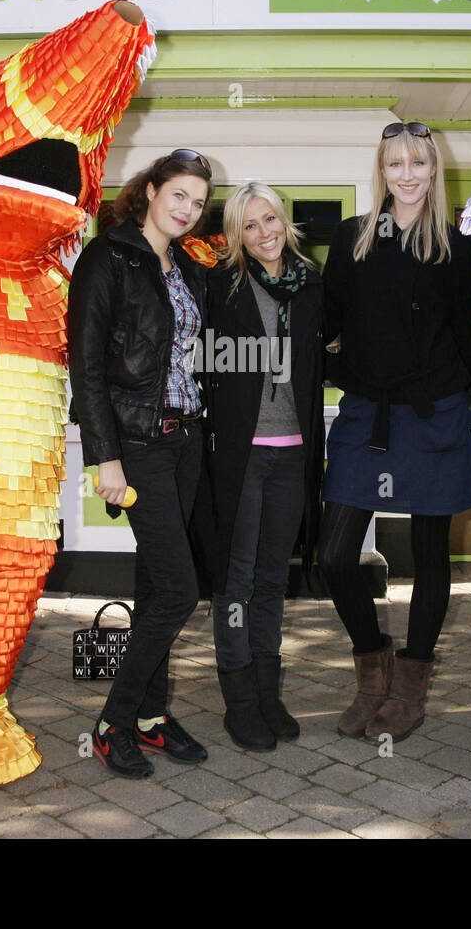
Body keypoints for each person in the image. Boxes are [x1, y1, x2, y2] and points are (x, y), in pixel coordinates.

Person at [319, 121, 471, 743]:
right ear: (382, 170)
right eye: (395, 163)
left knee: (429, 556)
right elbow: (326, 325)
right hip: (369, 414)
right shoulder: (352, 240)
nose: (407, 175)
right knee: (334, 554)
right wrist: (345, 373)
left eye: (418, 162)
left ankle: (410, 687)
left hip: (434, 413)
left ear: (432, 169)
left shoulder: (452, 245)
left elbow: (467, 336)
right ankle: (372, 670)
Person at [68, 149, 214, 779]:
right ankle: (113, 721)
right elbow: (88, 365)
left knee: (157, 586)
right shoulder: (109, 256)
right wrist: (106, 459)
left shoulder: (184, 265)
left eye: (199, 202)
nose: (187, 209)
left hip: (185, 442)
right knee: (182, 589)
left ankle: (151, 719)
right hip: (139, 445)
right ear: (150, 190)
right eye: (178, 194)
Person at [202, 183, 324, 750]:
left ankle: (270, 694)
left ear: (285, 221)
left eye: (269, 218)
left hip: (294, 453)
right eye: (249, 226)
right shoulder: (221, 287)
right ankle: (240, 700)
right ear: (237, 236)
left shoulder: (313, 284)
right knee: (237, 580)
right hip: (242, 454)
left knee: (275, 579)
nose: (264, 232)